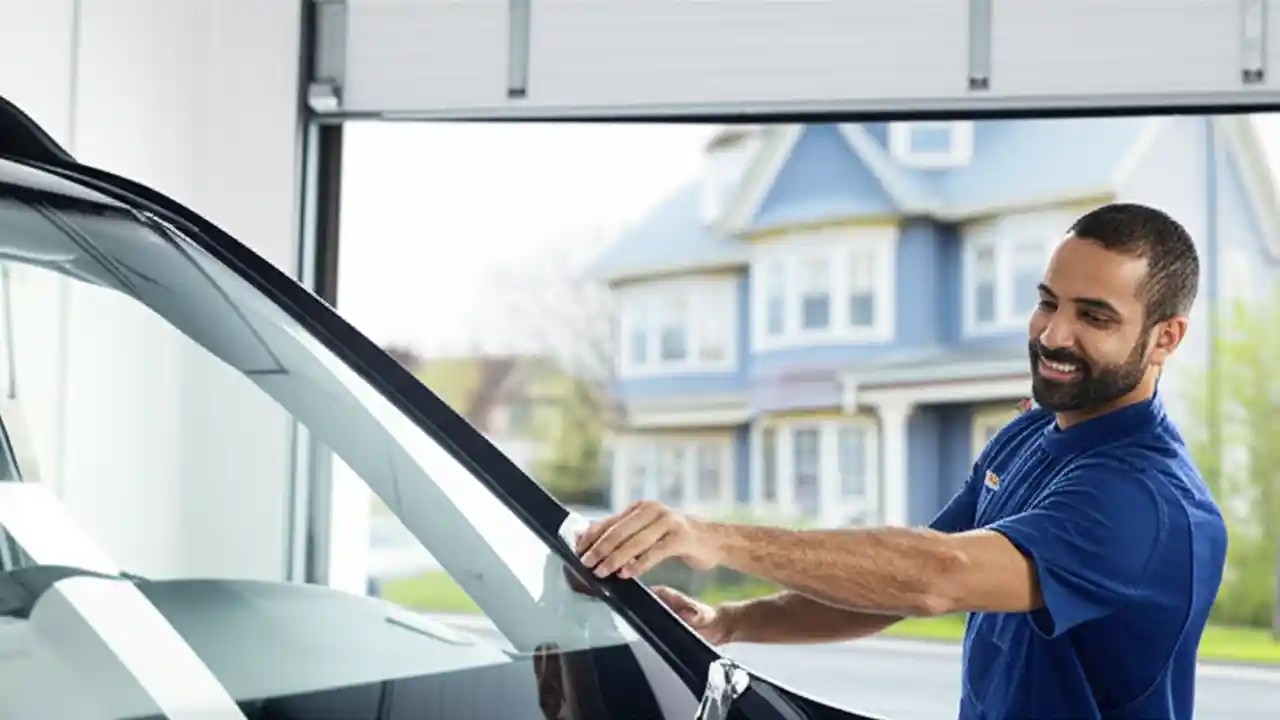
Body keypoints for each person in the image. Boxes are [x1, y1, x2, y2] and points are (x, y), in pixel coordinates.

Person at [575, 203, 1228, 719]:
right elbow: (892, 586)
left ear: (1165, 337)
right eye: (1047, 302)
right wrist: (734, 621)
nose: (1054, 334)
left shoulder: (1144, 500)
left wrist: (713, 538)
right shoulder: (1031, 437)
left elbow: (935, 576)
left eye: (1094, 316)